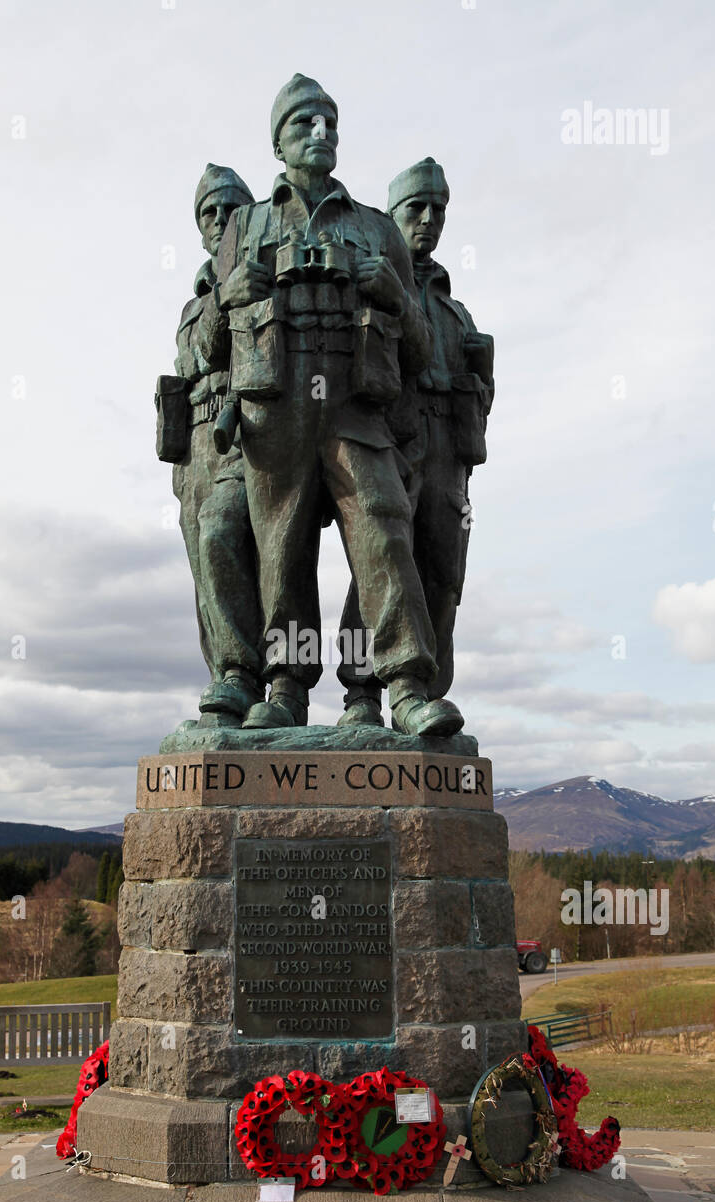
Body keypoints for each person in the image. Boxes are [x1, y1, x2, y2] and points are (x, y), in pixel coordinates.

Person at [197, 76, 464, 737]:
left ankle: (404, 686)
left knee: (384, 534)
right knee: (281, 554)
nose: (321, 134)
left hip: (353, 408)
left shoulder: (376, 228)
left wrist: (398, 300)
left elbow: (421, 349)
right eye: (304, 123)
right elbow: (208, 349)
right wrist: (229, 296)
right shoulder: (246, 224)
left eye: (329, 123)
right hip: (275, 408)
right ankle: (285, 688)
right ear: (278, 141)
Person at [337, 157, 494, 718]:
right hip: (392, 438)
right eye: (415, 208)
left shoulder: (457, 313)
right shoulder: (372, 283)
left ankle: (427, 695)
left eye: (438, 210)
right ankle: (362, 692)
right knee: (378, 561)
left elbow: (484, 392)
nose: (428, 219)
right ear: (392, 215)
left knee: (443, 572)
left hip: (449, 449)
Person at [165, 164, 265, 726]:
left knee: (224, 535)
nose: (221, 220)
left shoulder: (256, 278)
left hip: (246, 434)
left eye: (231, 209)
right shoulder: (194, 301)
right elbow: (192, 363)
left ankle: (244, 672)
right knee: (205, 573)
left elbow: (222, 353)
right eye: (210, 212)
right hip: (194, 448)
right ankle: (227, 688)